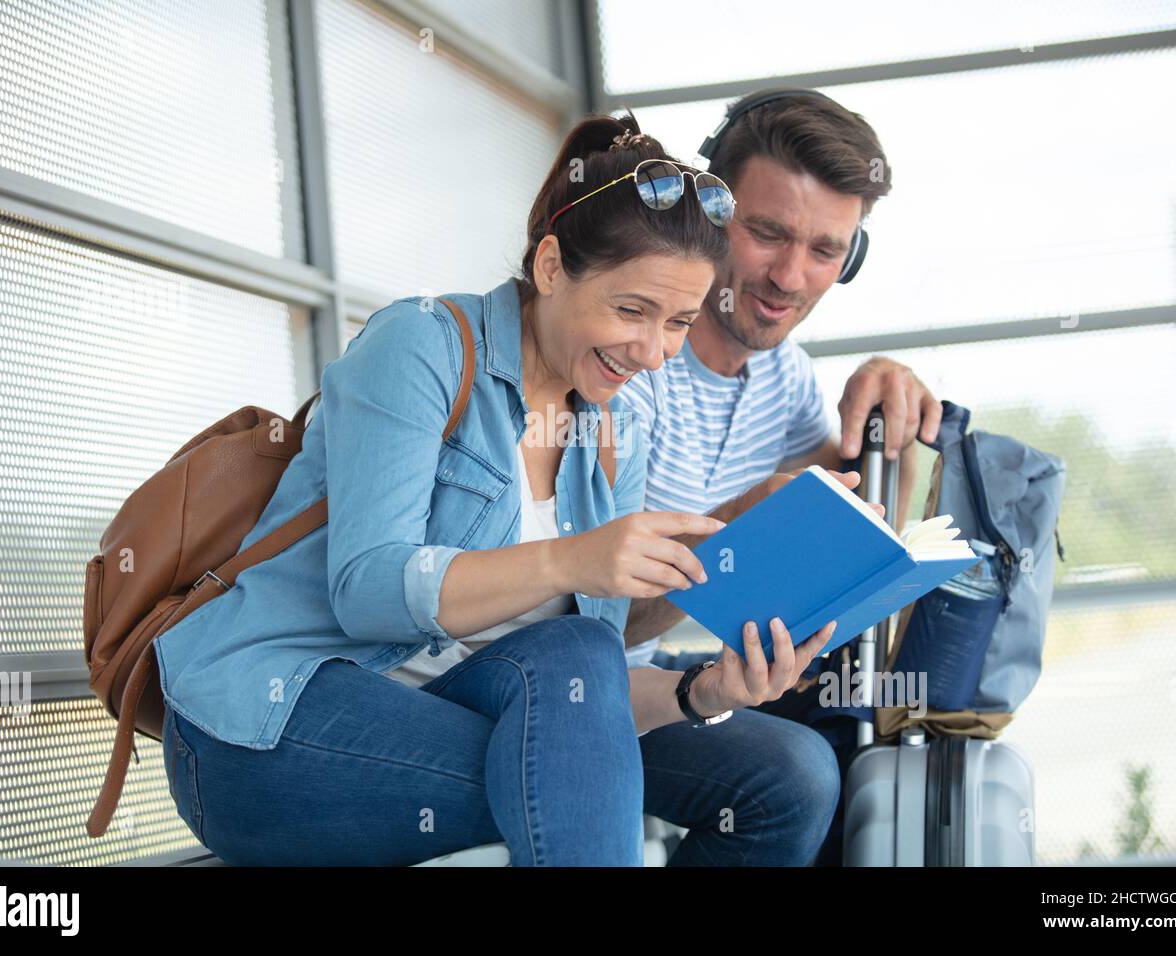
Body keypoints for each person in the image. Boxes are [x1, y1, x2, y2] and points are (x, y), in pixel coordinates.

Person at [152, 112, 842, 867]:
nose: (652, 352)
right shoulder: (424, 344)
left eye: (678, 321)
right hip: (275, 724)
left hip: (468, 719)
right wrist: (572, 561)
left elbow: (590, 693)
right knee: (568, 759)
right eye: (631, 310)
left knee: (787, 777)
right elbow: (368, 588)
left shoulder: (613, 431)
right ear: (551, 267)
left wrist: (702, 695)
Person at [619, 90, 944, 863]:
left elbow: (866, 533)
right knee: (793, 775)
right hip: (564, 670)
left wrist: (880, 410)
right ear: (708, 212)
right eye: (767, 233)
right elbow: (587, 624)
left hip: (644, 673)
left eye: (826, 250)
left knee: (854, 737)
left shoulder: (787, 381)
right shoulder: (627, 364)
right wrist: (740, 531)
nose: (790, 277)